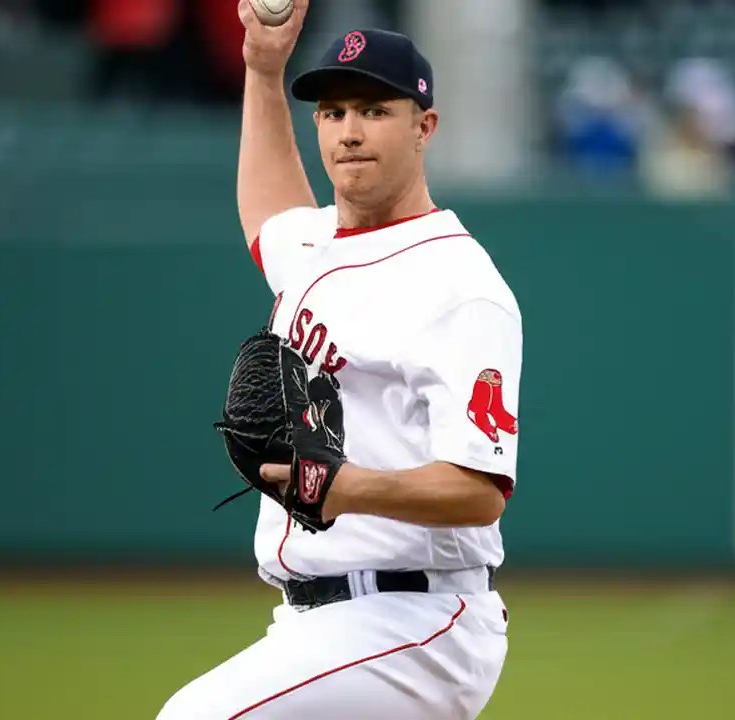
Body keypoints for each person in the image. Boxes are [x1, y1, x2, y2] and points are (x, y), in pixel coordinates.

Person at [156, 2, 521, 718]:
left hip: (416, 623)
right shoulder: (320, 244)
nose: (349, 131)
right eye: (332, 112)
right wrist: (263, 70)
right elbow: (267, 217)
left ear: (425, 126)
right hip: (313, 619)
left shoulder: (462, 286)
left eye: (374, 111)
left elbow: (479, 491)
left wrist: (345, 486)